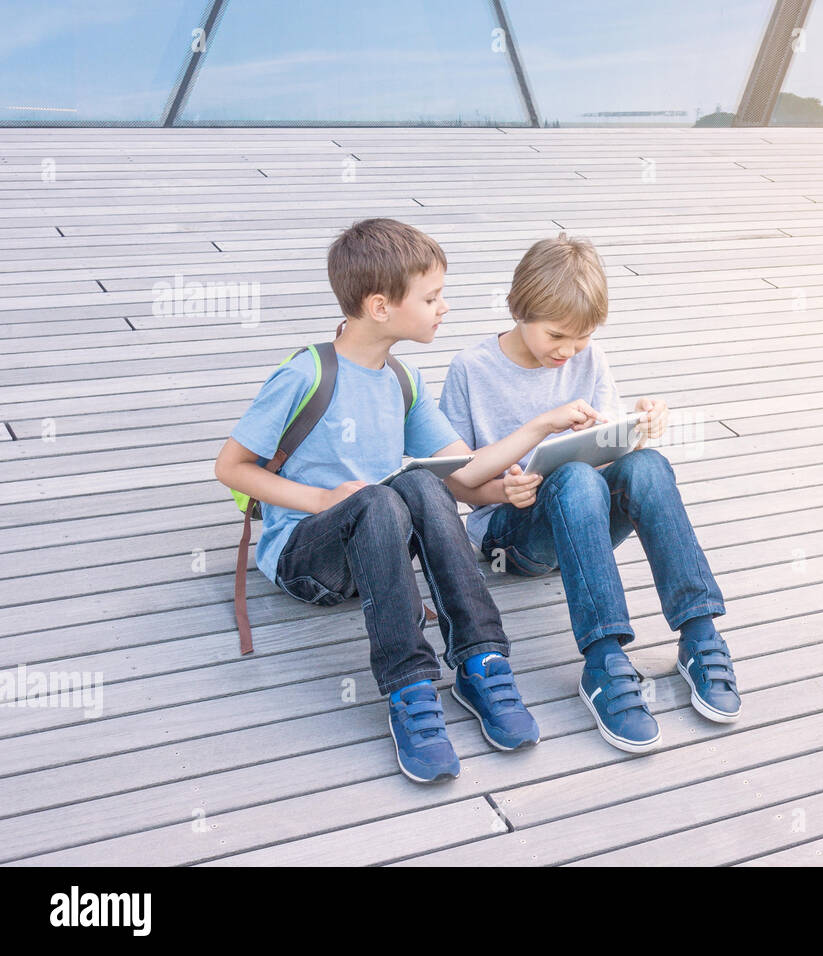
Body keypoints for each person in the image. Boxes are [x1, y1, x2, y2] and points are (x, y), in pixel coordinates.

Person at [214, 218, 598, 782]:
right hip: (305, 557)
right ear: (380, 306)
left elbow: (464, 469)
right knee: (378, 499)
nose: (444, 307)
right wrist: (322, 499)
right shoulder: (306, 374)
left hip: (375, 549)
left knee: (420, 481)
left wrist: (541, 428)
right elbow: (230, 467)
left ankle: (480, 660)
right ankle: (410, 689)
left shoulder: (404, 381)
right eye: (432, 296)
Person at [439, 233, 741, 755]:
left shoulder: (588, 357)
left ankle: (699, 632)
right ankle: (603, 659)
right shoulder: (471, 369)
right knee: (575, 479)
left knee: (646, 466)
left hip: (583, 521)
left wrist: (641, 425)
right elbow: (455, 484)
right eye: (557, 336)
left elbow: (607, 449)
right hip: (512, 537)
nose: (568, 351)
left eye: (580, 339)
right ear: (520, 309)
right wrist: (507, 488)